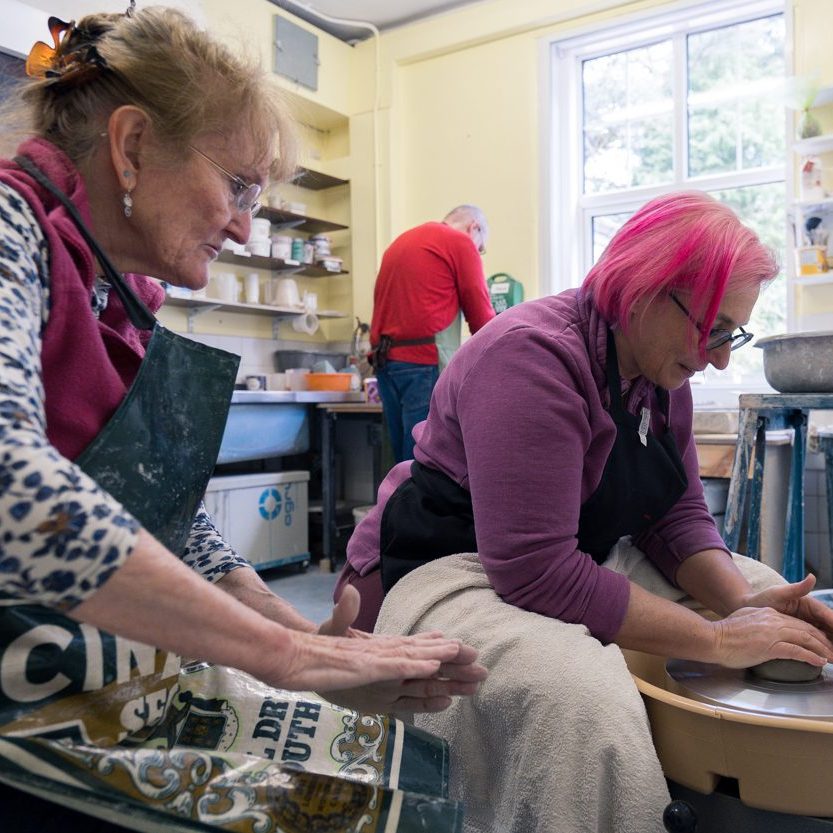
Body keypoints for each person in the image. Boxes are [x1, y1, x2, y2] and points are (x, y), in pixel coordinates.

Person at [0, 6, 486, 830]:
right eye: (237, 186)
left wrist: (307, 641)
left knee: (405, 780)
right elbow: (13, 485)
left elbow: (162, 519)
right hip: (25, 695)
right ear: (132, 146)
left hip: (99, 668)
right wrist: (285, 656)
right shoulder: (11, 230)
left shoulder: (117, 296)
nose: (242, 223)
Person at [338, 191, 833, 832]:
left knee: (772, 602)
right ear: (646, 290)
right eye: (712, 331)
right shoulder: (529, 357)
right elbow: (535, 570)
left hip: (575, 549)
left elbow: (676, 518)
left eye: (731, 334)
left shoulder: (661, 373)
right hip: (458, 562)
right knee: (580, 697)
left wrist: (740, 606)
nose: (720, 358)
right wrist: (714, 640)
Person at [369, 205, 495, 462]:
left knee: (398, 461)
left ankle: (397, 504)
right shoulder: (459, 242)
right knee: (422, 460)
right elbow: (482, 319)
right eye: (480, 248)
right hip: (423, 363)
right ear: (474, 228)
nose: (478, 253)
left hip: (385, 365)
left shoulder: (401, 242)